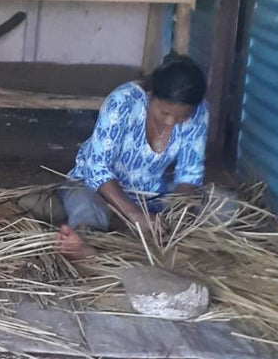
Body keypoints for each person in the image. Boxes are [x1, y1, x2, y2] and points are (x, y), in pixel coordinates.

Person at [56, 55, 208, 260]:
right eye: (164, 113)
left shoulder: (199, 112)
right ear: (151, 95)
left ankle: (166, 245)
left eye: (182, 117)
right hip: (98, 190)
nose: (171, 122)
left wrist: (179, 214)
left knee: (222, 203)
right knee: (87, 209)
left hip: (152, 195)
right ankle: (86, 249)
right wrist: (135, 214)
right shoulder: (124, 102)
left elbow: (189, 173)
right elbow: (96, 167)